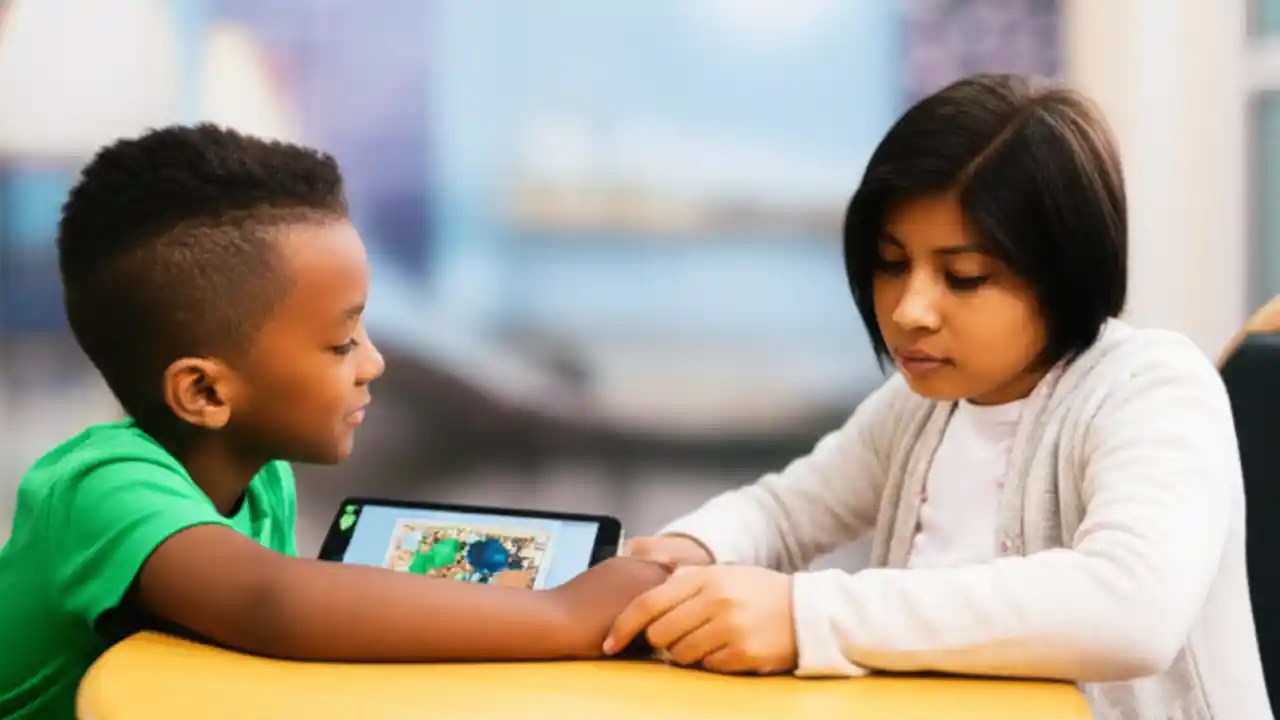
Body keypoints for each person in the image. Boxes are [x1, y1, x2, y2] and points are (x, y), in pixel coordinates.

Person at [610, 74, 1270, 719]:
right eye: (891, 265)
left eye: (964, 276)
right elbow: (785, 513)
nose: (909, 311)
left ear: (1067, 271)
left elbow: (1132, 609)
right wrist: (696, 548)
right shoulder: (924, 403)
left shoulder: (1151, 387)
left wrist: (805, 615)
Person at [0, 124, 668, 719]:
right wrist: (565, 614)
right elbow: (271, 605)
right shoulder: (101, 489)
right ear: (204, 390)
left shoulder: (263, 481)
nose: (374, 363)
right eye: (341, 342)